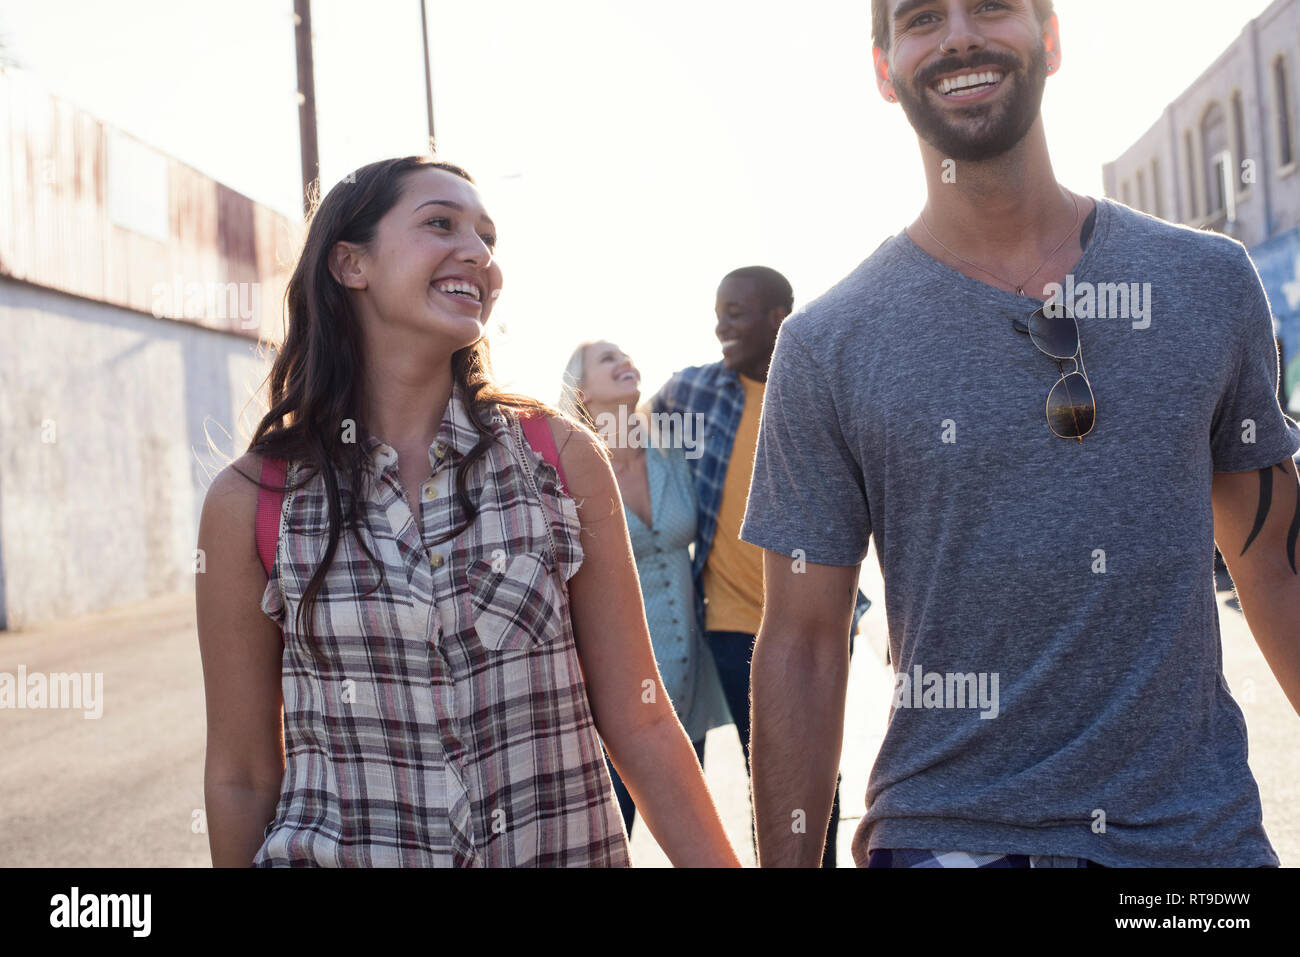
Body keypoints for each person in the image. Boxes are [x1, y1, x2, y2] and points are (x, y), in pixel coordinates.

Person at [742, 0, 1300, 868]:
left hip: (1195, 855)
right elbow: (805, 641)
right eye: (923, 18)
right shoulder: (828, 344)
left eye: (992, 6)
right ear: (885, 71)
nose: (960, 35)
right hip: (947, 837)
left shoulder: (1208, 283)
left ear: (1051, 38)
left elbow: (1271, 561)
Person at [195, 155, 740, 868]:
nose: (479, 254)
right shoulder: (251, 502)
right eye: (440, 224)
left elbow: (640, 721)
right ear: (350, 263)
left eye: (487, 238)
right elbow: (242, 776)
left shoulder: (559, 458)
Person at [650, 267, 872, 867]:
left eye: (737, 312)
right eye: (719, 312)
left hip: (820, 616)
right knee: (767, 769)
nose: (722, 325)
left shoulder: (824, 392)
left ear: (779, 316)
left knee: (815, 767)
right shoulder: (693, 394)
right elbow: (624, 436)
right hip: (729, 624)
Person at [559, 340, 731, 835]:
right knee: (614, 833)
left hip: (688, 673)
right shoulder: (567, 470)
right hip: (613, 688)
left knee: (688, 827)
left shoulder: (671, 450)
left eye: (626, 355)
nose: (624, 363)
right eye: (607, 359)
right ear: (582, 392)